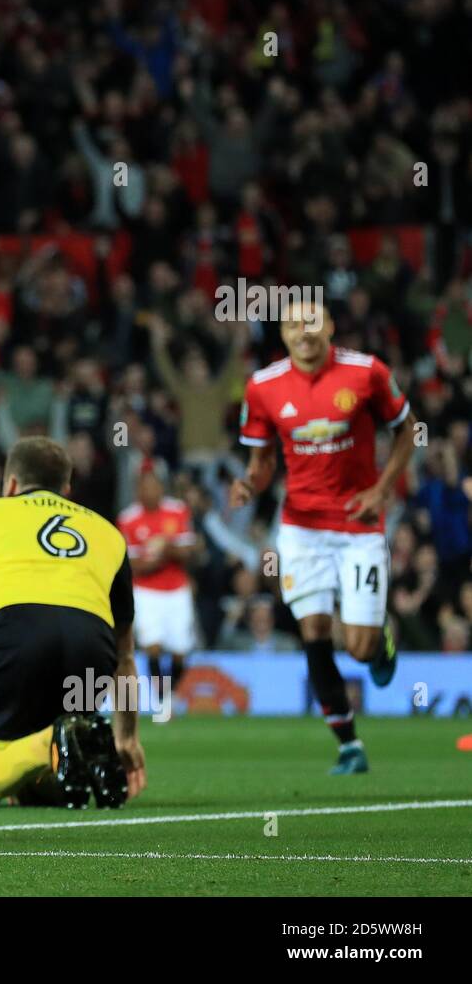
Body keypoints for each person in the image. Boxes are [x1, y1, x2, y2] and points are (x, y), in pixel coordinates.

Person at [231, 300, 416, 774]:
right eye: (293, 325)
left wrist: (381, 488)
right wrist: (251, 481)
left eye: (312, 323)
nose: (304, 332)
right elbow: (264, 458)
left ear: (330, 327)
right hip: (301, 528)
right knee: (313, 629)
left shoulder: (367, 373)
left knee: (359, 647)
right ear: (284, 335)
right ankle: (348, 744)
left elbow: (406, 430)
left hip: (357, 524)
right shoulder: (263, 387)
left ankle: (380, 643)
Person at [0, 436, 147, 809]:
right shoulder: (109, 534)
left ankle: (44, 744)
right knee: (31, 792)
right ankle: (65, 749)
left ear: (12, 485)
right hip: (90, 650)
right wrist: (126, 737)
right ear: (66, 490)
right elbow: (126, 658)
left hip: (14, 634)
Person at [117, 470, 197, 690]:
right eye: (145, 487)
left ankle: (170, 692)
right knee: (152, 646)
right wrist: (154, 561)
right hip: (146, 592)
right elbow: (129, 565)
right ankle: (162, 698)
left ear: (161, 488)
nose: (150, 491)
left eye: (154, 486)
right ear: (138, 491)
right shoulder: (128, 519)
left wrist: (166, 547)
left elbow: (190, 551)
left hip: (177, 589)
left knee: (180, 650)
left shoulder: (178, 510)